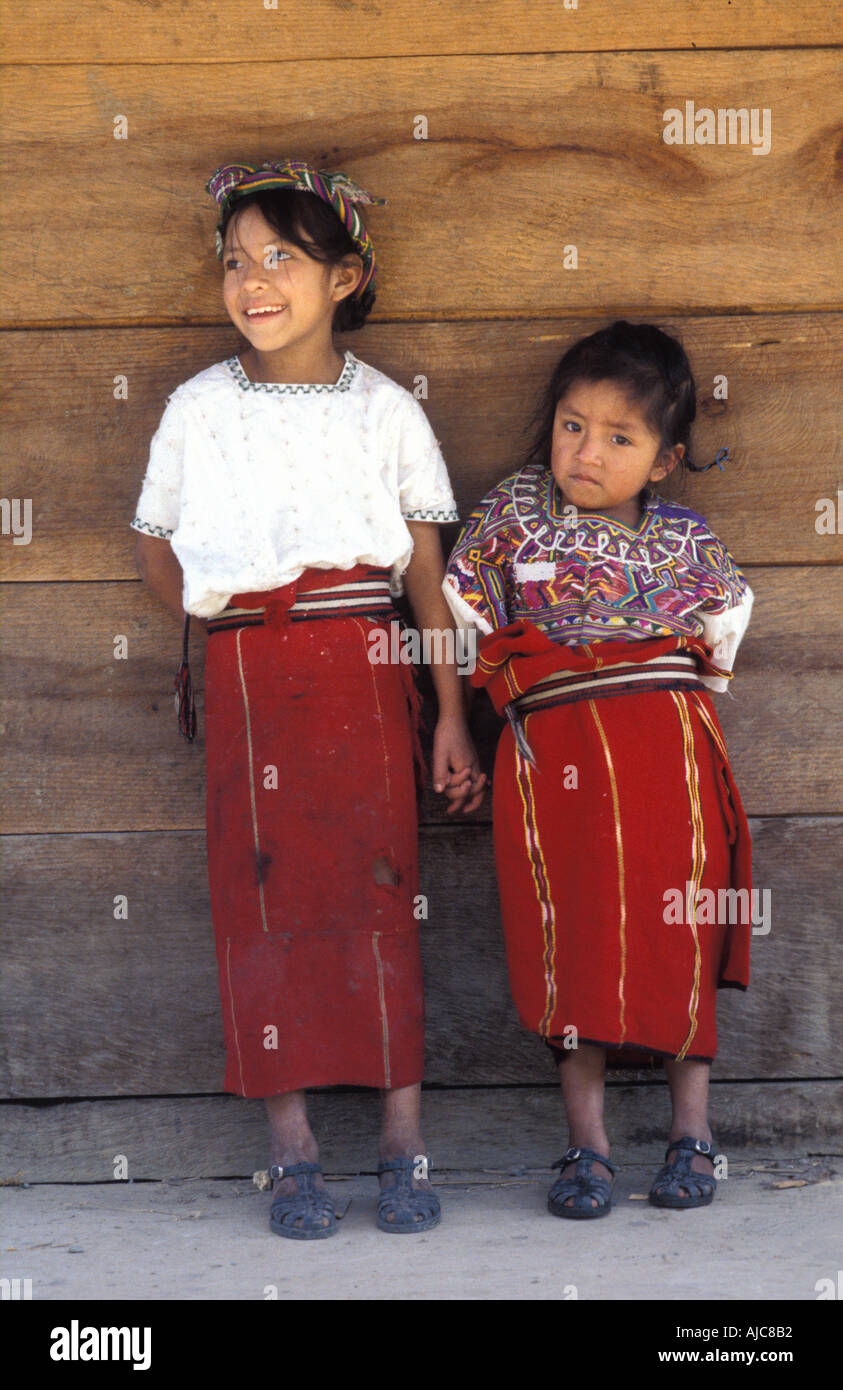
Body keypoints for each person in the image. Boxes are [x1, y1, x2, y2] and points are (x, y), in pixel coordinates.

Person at [131, 159, 486, 1239]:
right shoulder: (199, 407)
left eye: (282, 256)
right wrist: (220, 603)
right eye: (235, 261)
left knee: (383, 892)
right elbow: (154, 546)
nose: (254, 281)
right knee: (262, 897)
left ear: (346, 276)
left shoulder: (385, 412)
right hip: (250, 679)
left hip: (364, 673)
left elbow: (425, 571)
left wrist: (453, 714)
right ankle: (290, 1153)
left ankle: (402, 1140)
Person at [443, 320, 753, 1218]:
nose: (587, 451)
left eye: (620, 437)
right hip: (554, 764)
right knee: (566, 935)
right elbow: (464, 620)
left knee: (679, 931)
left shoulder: (689, 546)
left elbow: (715, 648)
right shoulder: (506, 522)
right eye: (573, 424)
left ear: (663, 461)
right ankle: (586, 1148)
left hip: (667, 761)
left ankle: (690, 1135)